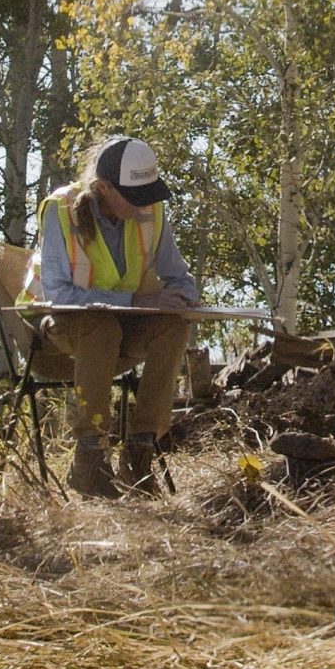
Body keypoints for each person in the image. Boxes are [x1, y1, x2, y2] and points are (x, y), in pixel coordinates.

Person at [19, 135, 200, 498]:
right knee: (100, 328)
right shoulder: (60, 209)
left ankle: (140, 451)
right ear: (103, 188)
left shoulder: (152, 211)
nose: (143, 206)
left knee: (171, 328)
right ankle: (89, 457)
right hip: (59, 327)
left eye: (149, 195)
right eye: (134, 197)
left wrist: (184, 299)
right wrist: (134, 299)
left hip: (121, 328)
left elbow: (179, 276)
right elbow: (58, 294)